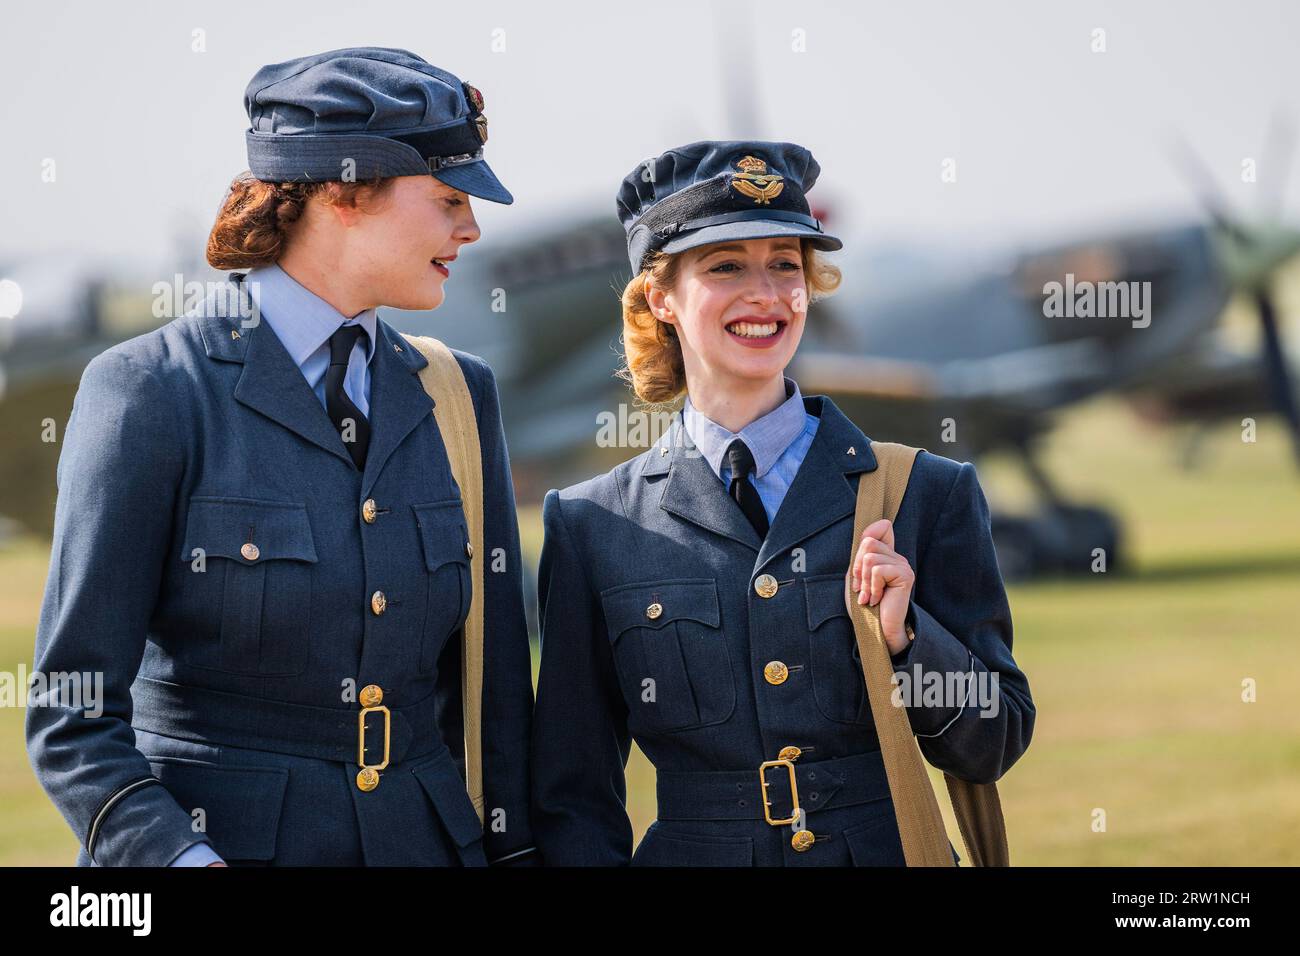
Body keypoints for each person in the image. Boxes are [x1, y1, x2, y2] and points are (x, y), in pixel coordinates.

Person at [26, 47, 536, 866]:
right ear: (342, 193)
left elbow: (494, 699)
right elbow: (71, 712)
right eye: (447, 199)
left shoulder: (455, 392)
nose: (470, 227)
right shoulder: (149, 391)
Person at [530, 140, 1035, 865]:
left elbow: (996, 742)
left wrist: (909, 640)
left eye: (786, 265)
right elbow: (572, 793)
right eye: (727, 266)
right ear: (660, 298)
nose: (766, 295)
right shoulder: (592, 523)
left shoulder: (927, 491)